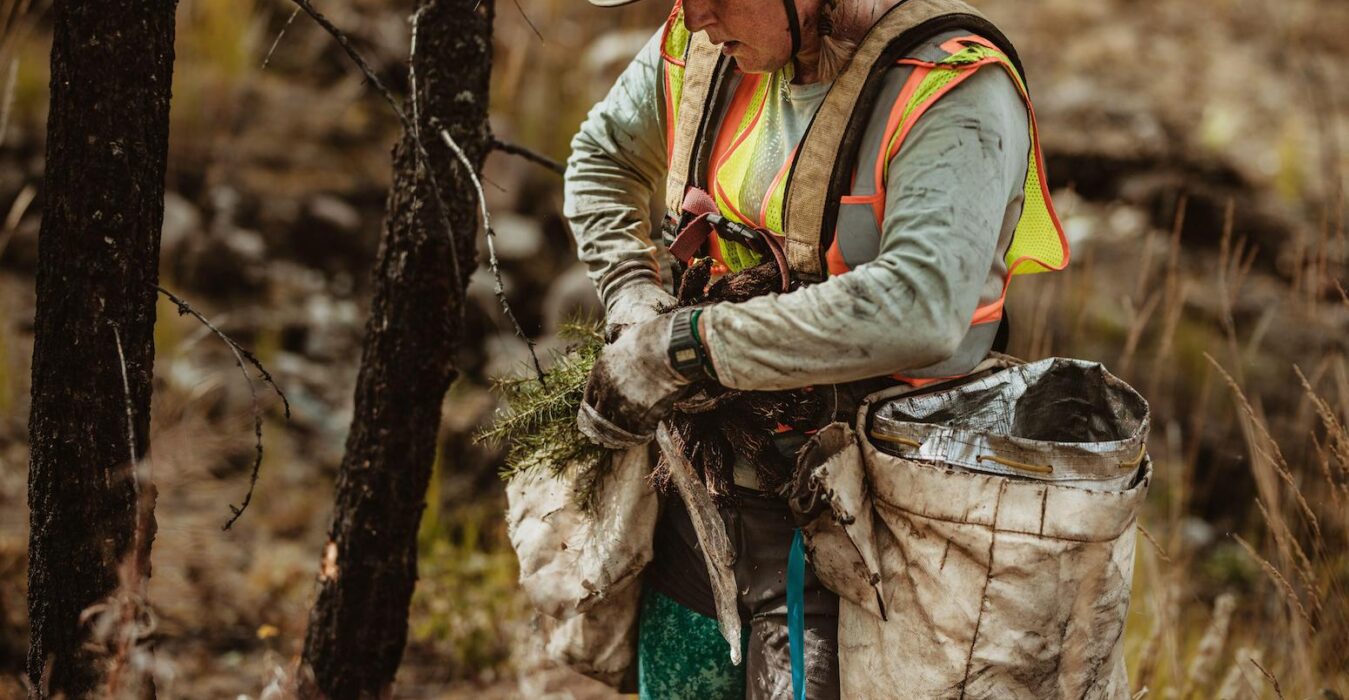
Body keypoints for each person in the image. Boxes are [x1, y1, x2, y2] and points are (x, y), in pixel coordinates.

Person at [562, 0, 1067, 696]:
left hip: (868, 524)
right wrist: (629, 290)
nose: (695, 12)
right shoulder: (704, 42)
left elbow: (921, 305)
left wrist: (683, 347)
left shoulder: (947, 84)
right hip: (701, 496)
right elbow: (602, 154)